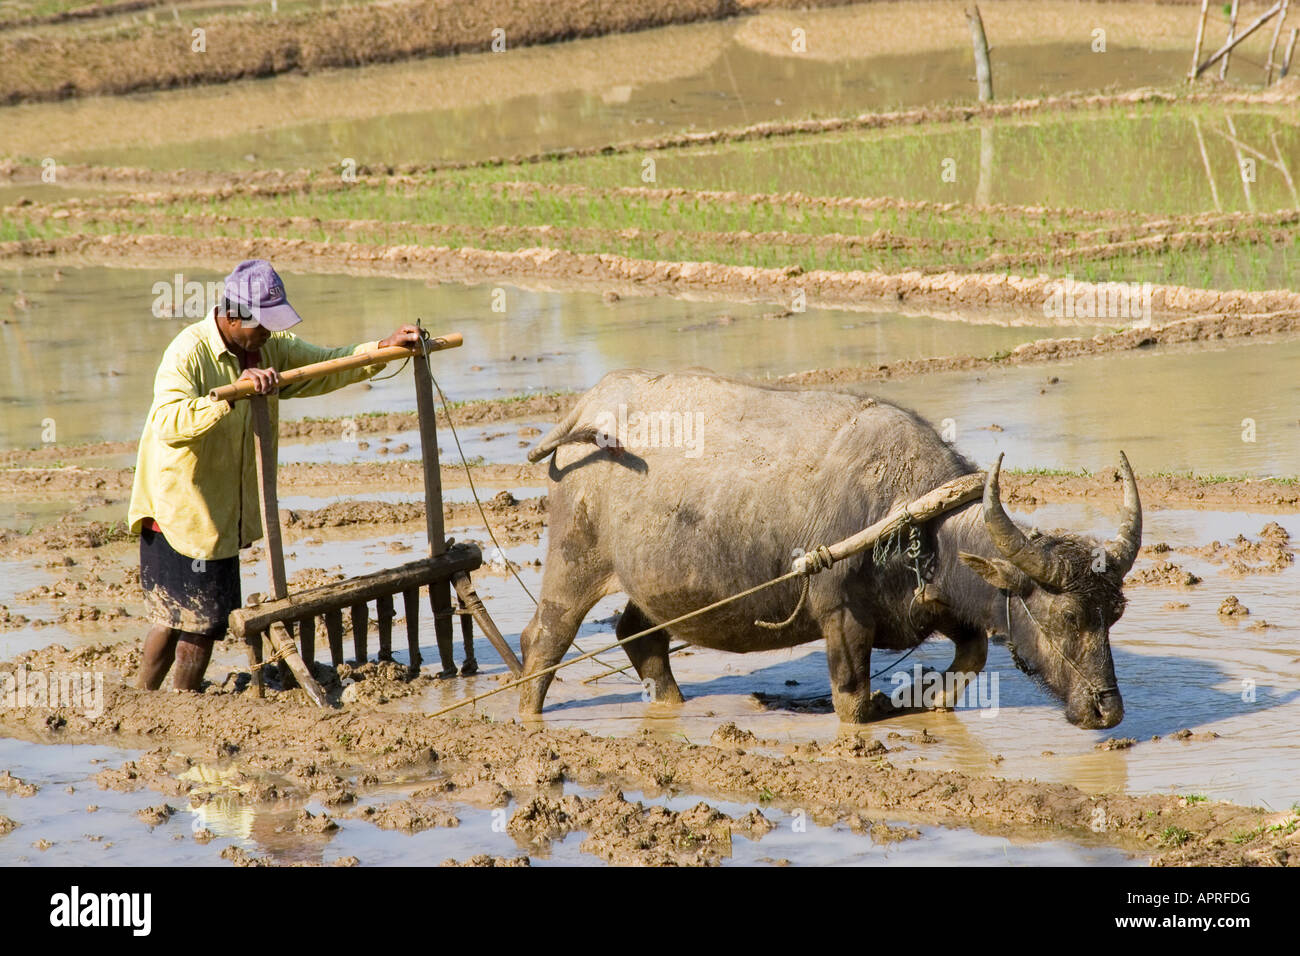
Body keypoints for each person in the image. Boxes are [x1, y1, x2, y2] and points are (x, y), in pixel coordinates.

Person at [127, 259, 421, 691]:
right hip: (181, 508)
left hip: (220, 510)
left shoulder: (272, 349)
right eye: (261, 325)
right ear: (232, 315)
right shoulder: (188, 352)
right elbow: (168, 422)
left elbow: (327, 365)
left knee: (189, 617)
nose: (267, 333)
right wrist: (229, 395)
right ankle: (170, 701)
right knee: (191, 619)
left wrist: (382, 348)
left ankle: (152, 698)